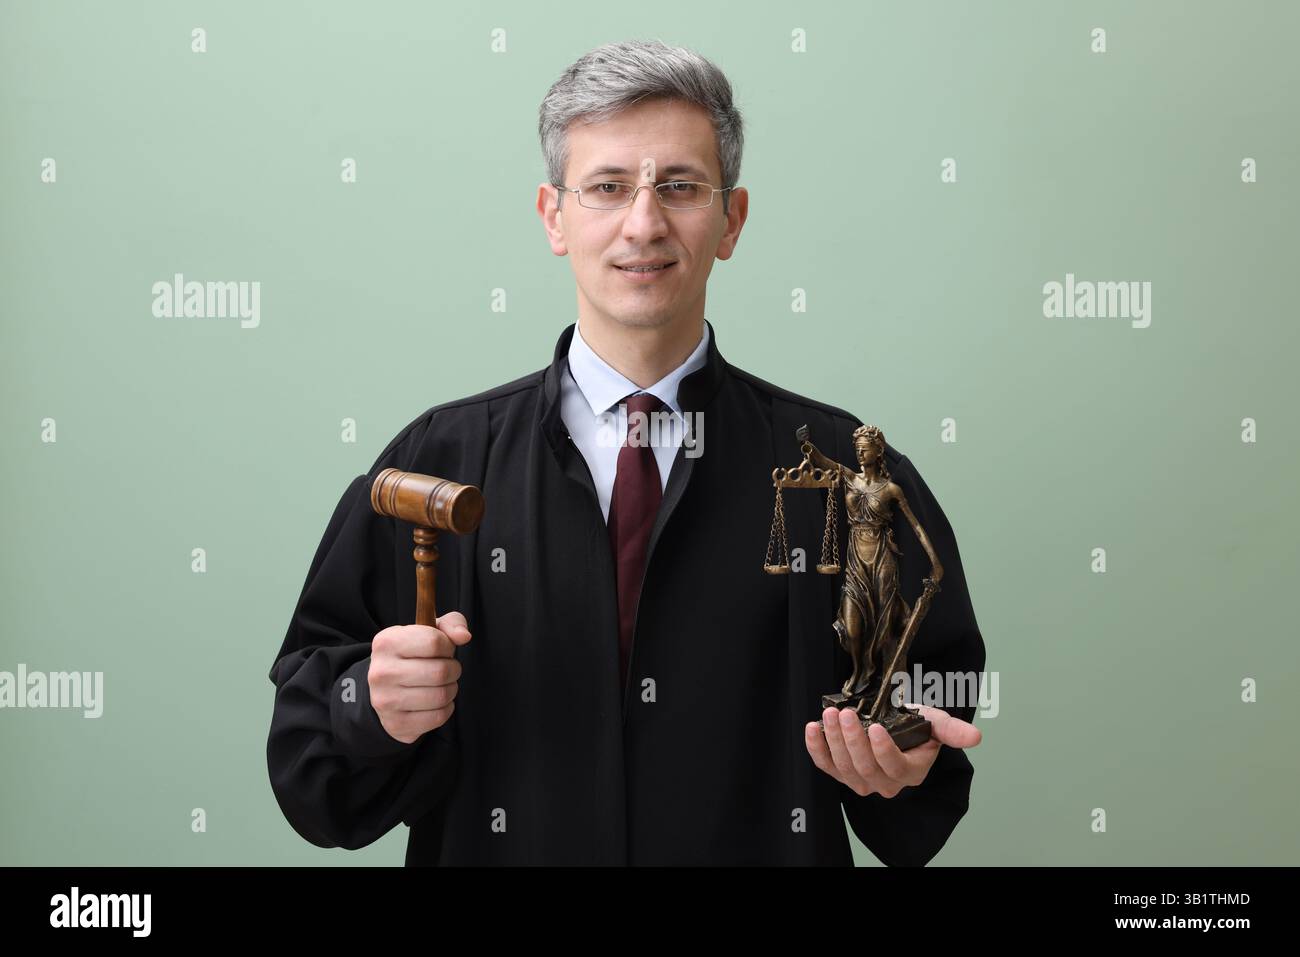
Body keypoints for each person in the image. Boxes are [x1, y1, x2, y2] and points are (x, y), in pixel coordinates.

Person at [266, 39, 985, 866]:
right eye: (607, 187)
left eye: (679, 186)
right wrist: (371, 705)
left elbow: (940, 709)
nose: (643, 222)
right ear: (554, 216)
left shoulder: (842, 470)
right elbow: (308, 771)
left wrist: (904, 763)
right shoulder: (433, 465)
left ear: (731, 220)